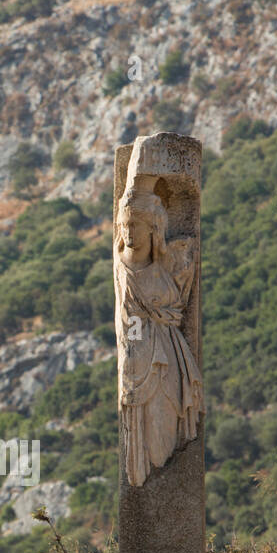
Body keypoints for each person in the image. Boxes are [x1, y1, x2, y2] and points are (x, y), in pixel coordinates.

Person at [113, 184, 204, 487]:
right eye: (124, 225)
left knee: (166, 432)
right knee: (143, 439)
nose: (128, 233)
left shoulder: (172, 267)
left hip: (168, 361)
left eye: (134, 225)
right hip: (136, 361)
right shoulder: (123, 267)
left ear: (153, 229)